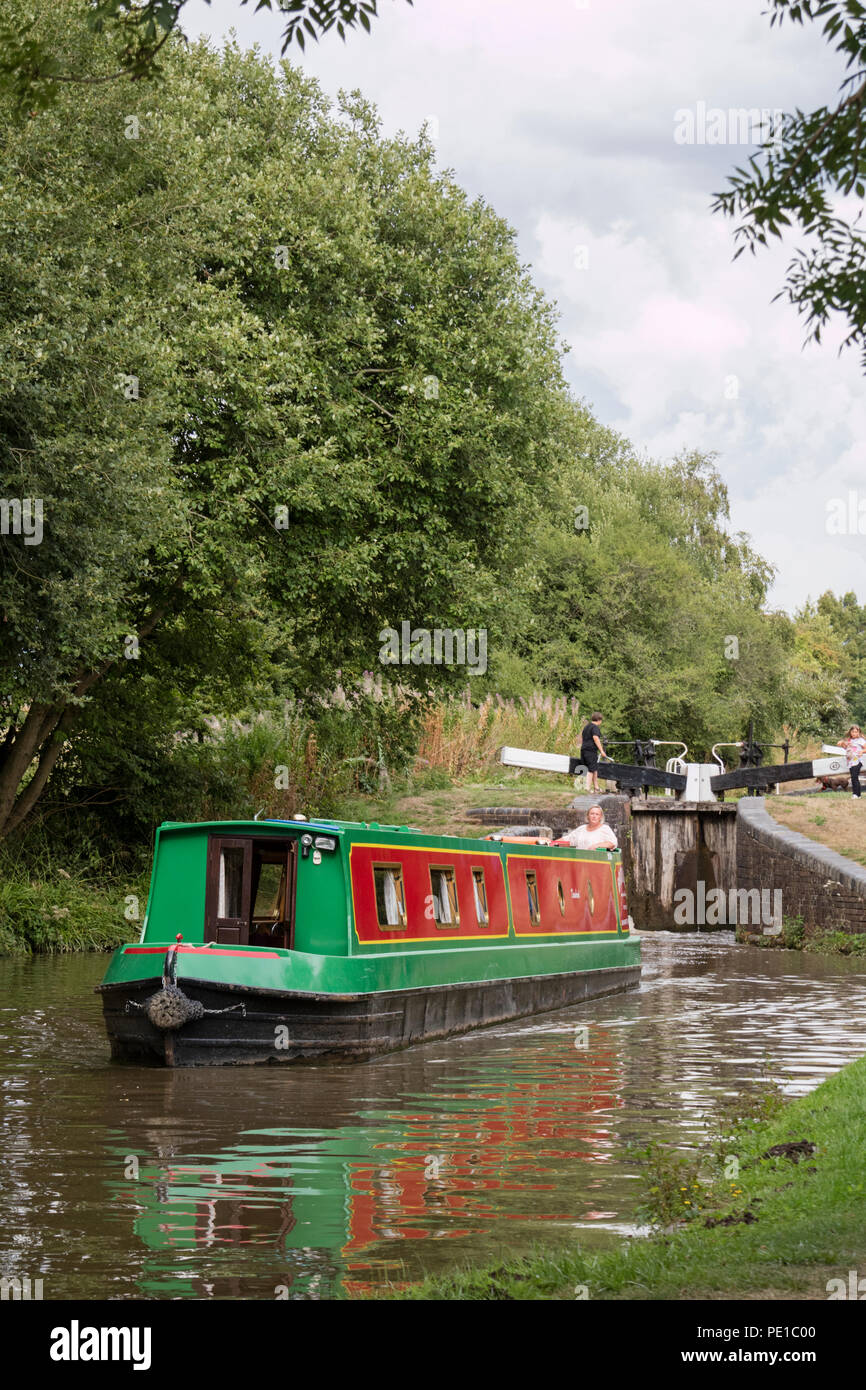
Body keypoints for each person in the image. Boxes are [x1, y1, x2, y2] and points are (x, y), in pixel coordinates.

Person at [580, 712, 607, 793]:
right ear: (599, 720)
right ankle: (587, 788)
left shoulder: (586, 727)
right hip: (590, 751)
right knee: (591, 770)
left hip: (584, 749)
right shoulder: (595, 727)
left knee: (594, 768)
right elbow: (596, 738)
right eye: (601, 720)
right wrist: (602, 751)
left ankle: (596, 787)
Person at [841, 724, 866, 798]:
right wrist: (842, 744)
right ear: (850, 732)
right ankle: (857, 794)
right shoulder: (849, 740)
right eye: (853, 732)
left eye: (856, 732)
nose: (854, 733)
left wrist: (862, 751)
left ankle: (856, 794)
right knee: (853, 778)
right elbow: (845, 748)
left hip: (857, 760)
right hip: (850, 762)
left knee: (854, 777)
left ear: (859, 732)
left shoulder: (861, 740)